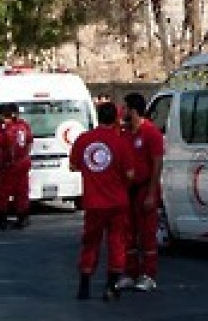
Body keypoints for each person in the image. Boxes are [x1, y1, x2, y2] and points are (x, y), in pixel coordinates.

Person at [71, 101, 135, 301]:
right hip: (117, 202)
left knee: (90, 243)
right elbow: (130, 174)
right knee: (117, 243)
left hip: (93, 202)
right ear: (115, 119)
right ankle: (111, 285)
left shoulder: (83, 140)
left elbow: (73, 166)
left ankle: (84, 285)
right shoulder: (121, 142)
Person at [118, 92, 164, 292]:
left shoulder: (151, 133)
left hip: (145, 189)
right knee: (128, 234)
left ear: (133, 110)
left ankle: (149, 275)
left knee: (147, 234)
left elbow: (157, 164)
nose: (123, 112)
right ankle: (130, 272)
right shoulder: (125, 133)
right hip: (128, 190)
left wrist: (151, 193)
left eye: (125, 108)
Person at [0, 102, 33, 230]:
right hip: (22, 163)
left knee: (3, 193)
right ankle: (22, 218)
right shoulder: (23, 125)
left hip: (5, 166)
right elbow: (29, 143)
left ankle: (3, 219)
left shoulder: (0, 128)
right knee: (21, 191)